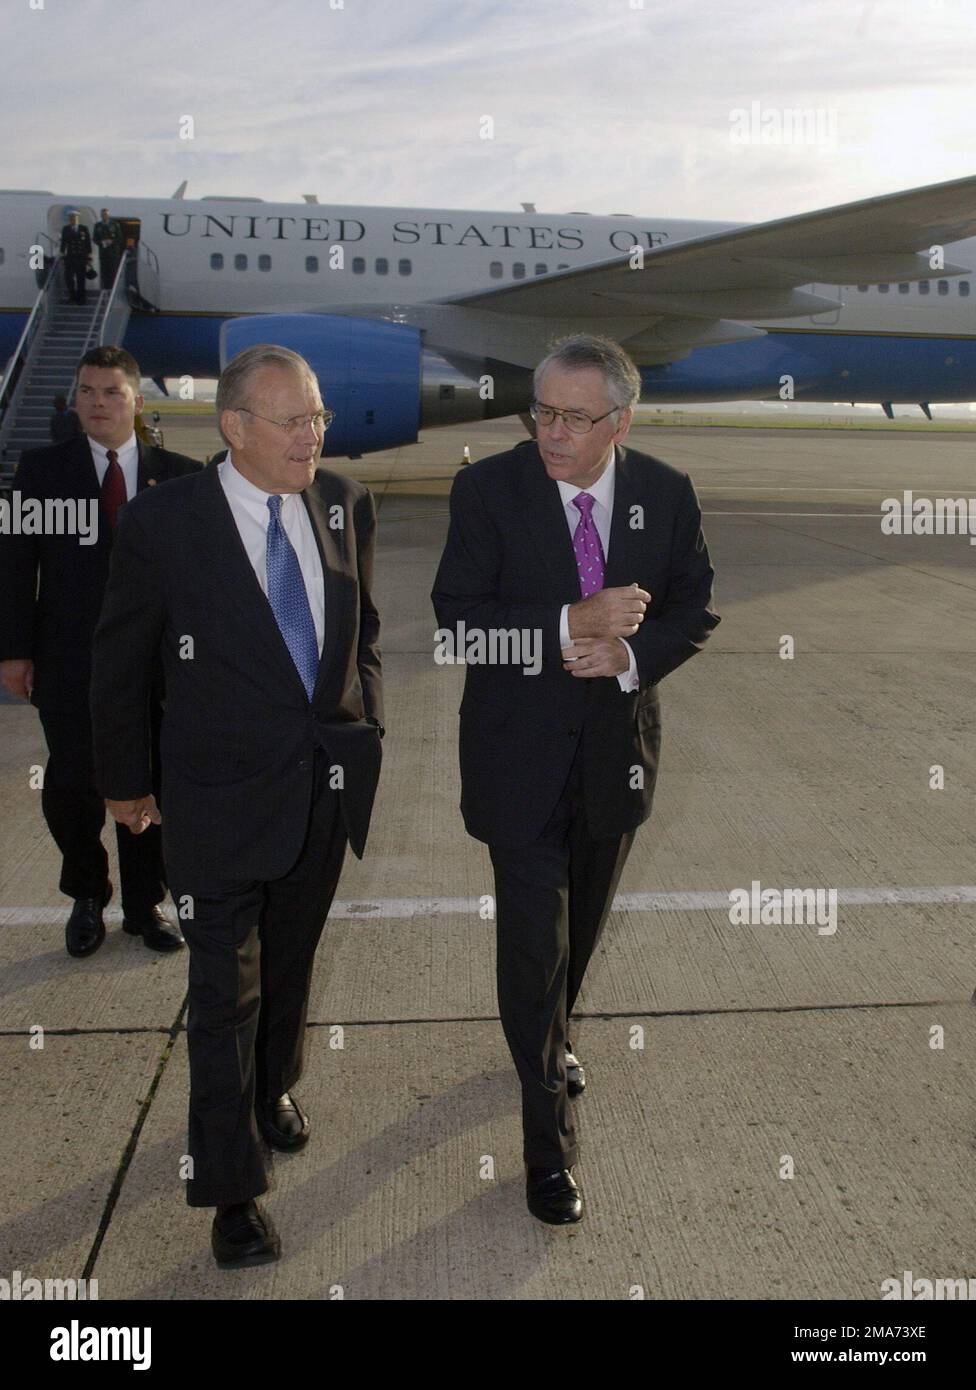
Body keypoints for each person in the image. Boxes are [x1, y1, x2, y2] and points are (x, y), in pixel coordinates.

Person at [89, 344, 384, 1269]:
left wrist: (363, 722)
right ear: (234, 428)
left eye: (319, 417)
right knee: (223, 995)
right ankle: (231, 1189)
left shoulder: (343, 501)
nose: (314, 435)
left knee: (290, 968)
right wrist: (126, 782)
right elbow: (121, 659)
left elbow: (362, 629)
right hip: (214, 801)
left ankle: (272, 1090)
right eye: (293, 420)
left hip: (324, 793)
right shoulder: (168, 521)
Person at [432, 335, 720, 1225]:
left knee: (579, 936)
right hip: (516, 761)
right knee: (534, 950)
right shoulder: (488, 490)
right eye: (542, 412)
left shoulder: (665, 495)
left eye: (573, 417)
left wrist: (630, 653)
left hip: (614, 759)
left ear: (619, 420)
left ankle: (554, 1034)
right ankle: (545, 1150)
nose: (552, 432)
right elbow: (460, 627)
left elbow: (693, 610)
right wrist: (569, 621)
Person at [0, 346, 200, 958]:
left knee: (150, 780)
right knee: (74, 783)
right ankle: (87, 896)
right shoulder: (42, 471)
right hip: (69, 661)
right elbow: (13, 565)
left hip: (156, 666)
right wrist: (12, 650)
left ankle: (146, 906)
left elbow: (198, 577)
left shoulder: (182, 475)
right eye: (86, 391)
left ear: (138, 401)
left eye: (111, 392)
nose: (96, 402)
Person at [59, 212, 92, 305]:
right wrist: (62, 254)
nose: (73, 219)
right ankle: (72, 296)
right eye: (71, 218)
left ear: (78, 219)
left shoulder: (83, 229)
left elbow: (87, 243)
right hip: (70, 257)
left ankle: (81, 298)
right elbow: (63, 243)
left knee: (81, 278)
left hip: (81, 257)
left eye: (75, 218)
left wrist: (89, 256)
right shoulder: (66, 229)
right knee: (69, 278)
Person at [92, 209, 122, 291]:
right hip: (103, 253)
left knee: (113, 272)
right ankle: (105, 289)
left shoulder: (115, 225)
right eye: (103, 214)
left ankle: (112, 289)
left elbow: (120, 238)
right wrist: (101, 242)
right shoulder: (97, 225)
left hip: (113, 254)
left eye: (106, 214)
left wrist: (111, 241)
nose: (104, 216)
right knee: (104, 273)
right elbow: (94, 239)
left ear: (108, 215)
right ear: (101, 216)